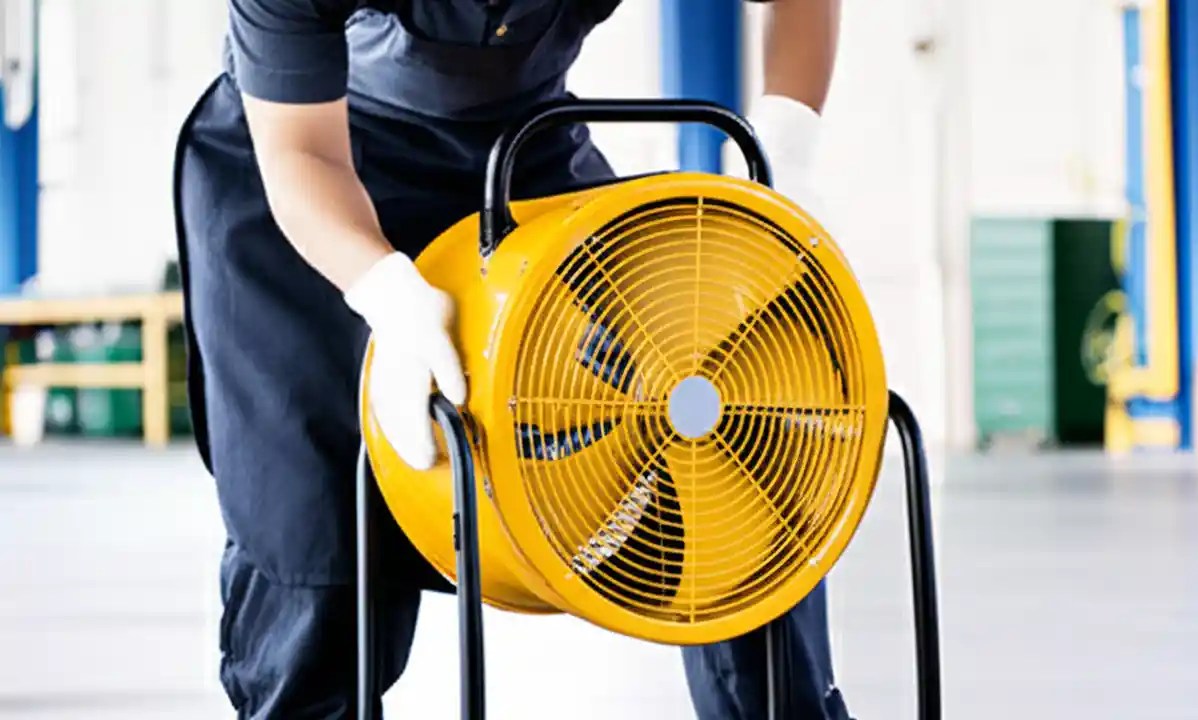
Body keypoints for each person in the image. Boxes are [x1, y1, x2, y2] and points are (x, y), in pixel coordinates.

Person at [173, 1, 845, 717]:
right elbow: (302, 150)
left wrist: (786, 145)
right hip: (313, 161)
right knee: (316, 516)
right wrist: (388, 294)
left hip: (525, 142)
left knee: (722, 411)